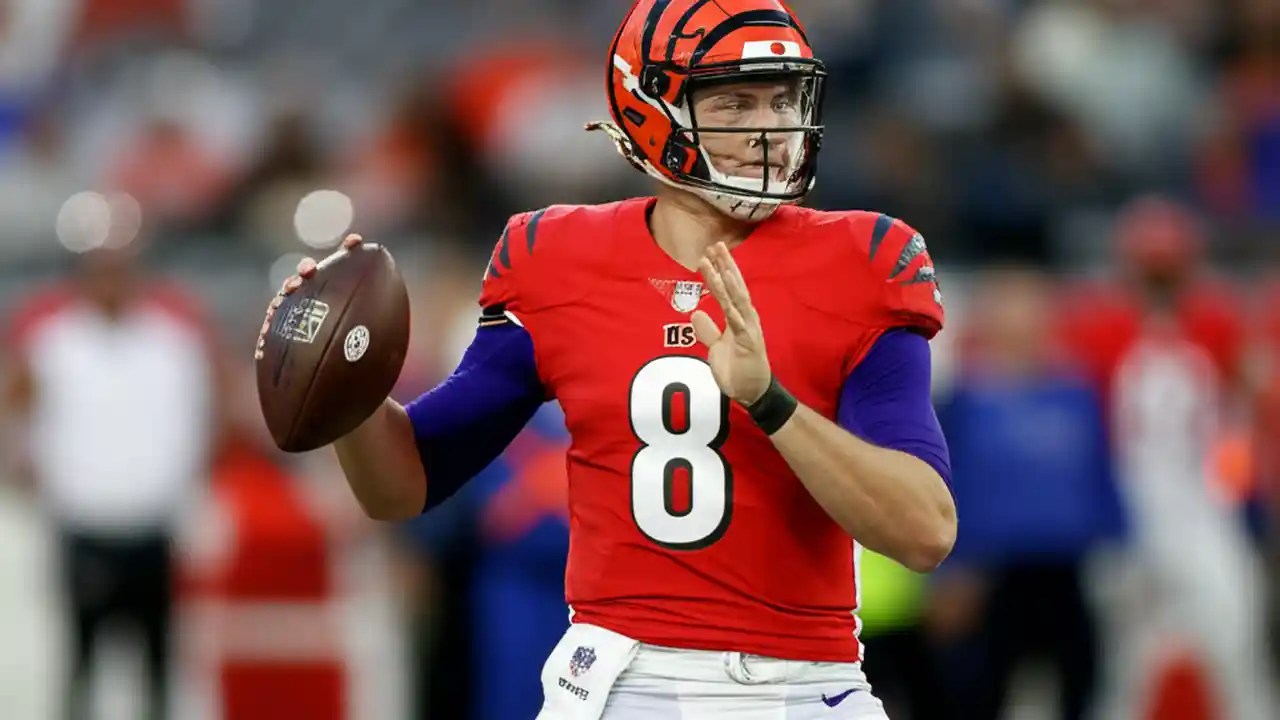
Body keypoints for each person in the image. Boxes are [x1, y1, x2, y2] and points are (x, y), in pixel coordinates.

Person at [258, 2, 956, 717]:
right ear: (652, 107)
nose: (769, 126)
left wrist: (770, 401)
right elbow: (402, 485)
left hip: (798, 683)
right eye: (735, 102)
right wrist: (346, 385)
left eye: (781, 98)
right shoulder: (558, 257)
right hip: (619, 681)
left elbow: (925, 530)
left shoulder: (864, 258)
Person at [4, 243, 217, 720]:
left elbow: (199, 419)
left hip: (152, 527)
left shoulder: (172, 344)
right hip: (82, 527)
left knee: (157, 667)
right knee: (79, 663)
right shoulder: (53, 343)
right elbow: (17, 414)